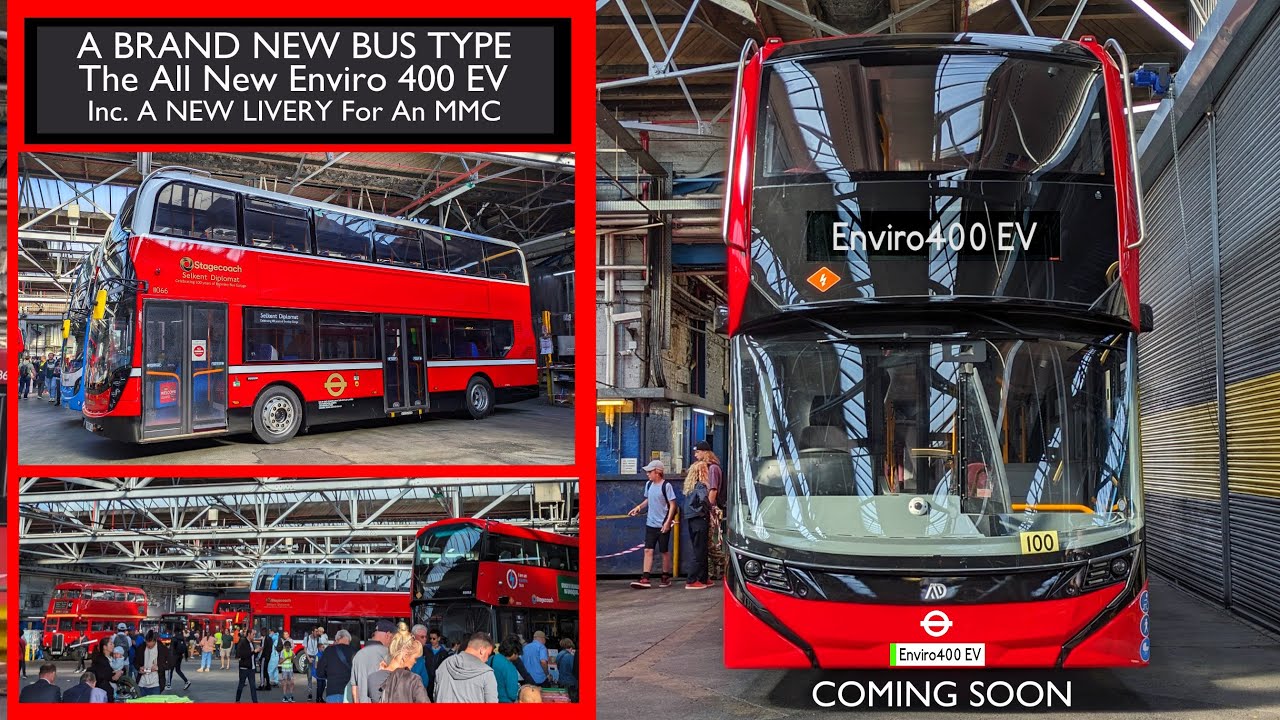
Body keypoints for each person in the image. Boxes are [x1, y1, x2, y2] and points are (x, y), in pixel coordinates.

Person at [628, 459, 678, 588]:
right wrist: (638, 507)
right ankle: (645, 578)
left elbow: (673, 505)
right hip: (650, 523)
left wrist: (667, 523)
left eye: (650, 471)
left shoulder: (666, 486)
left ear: (657, 472)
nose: (647, 474)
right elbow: (648, 500)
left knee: (664, 551)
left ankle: (665, 576)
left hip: (663, 524)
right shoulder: (648, 485)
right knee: (648, 550)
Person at [694, 440, 729, 580]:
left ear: (705, 452)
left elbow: (713, 490)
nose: (695, 455)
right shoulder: (710, 467)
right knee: (710, 542)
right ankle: (714, 571)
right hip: (711, 509)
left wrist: (708, 508)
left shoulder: (713, 468)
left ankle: (726, 564)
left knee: (709, 543)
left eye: (697, 452)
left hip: (712, 510)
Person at [365, 630, 429, 703]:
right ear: (405, 655)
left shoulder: (372, 678)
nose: (415, 662)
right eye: (415, 658)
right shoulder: (413, 680)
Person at [434, 632, 499, 703]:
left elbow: (435, 694)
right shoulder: (487, 674)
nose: (487, 659)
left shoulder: (444, 664)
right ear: (482, 651)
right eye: (488, 654)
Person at [682, 459, 713, 589]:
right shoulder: (701, 486)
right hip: (700, 519)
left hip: (691, 519)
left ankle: (703, 578)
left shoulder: (690, 487)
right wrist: (709, 508)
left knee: (699, 547)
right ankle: (692, 580)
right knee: (699, 549)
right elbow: (704, 500)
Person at [349, 619, 394, 703]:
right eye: (393, 638)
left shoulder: (358, 655)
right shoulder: (389, 655)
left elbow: (354, 689)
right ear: (388, 635)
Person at [315, 628, 355, 703]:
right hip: (351, 693)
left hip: (333, 691)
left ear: (338, 638)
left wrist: (329, 675)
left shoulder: (329, 650)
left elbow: (319, 672)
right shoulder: (354, 651)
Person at [134, 631, 169, 696]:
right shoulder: (141, 648)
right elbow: (135, 662)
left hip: (156, 684)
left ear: (155, 641)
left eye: (151, 646)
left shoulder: (163, 649)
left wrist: (158, 667)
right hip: (142, 683)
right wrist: (139, 668)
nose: (149, 647)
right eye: (147, 645)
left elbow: (170, 664)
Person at [488, 635, 522, 703]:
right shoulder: (510, 667)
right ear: (513, 653)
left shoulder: (491, 659)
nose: (518, 656)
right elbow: (512, 694)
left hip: (491, 699)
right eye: (518, 654)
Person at [422, 630, 452, 701]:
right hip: (426, 679)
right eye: (430, 638)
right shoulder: (425, 649)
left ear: (439, 638)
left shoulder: (444, 653)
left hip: (437, 680)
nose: (432, 640)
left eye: (434, 638)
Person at [235, 629, 260, 703]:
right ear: (249, 634)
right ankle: (237, 700)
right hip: (244, 668)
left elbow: (252, 655)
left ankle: (255, 701)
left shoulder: (251, 643)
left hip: (251, 668)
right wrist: (253, 652)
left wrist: (257, 652)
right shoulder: (242, 642)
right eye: (253, 634)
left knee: (253, 686)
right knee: (241, 685)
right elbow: (241, 654)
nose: (254, 636)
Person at [89, 639, 116, 703]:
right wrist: (114, 675)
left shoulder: (114, 657)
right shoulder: (100, 660)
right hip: (105, 690)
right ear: (104, 647)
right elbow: (104, 674)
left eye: (113, 644)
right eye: (111, 644)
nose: (113, 646)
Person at [303, 625, 326, 699]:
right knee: (309, 676)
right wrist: (308, 658)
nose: (317, 633)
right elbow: (305, 649)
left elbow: (321, 648)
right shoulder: (306, 638)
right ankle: (310, 693)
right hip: (309, 657)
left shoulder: (318, 639)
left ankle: (319, 696)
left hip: (316, 658)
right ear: (312, 632)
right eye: (316, 631)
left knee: (319, 678)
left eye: (317, 631)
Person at [279, 635, 297, 701]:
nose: (287, 649)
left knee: (292, 683)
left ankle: (291, 696)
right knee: (285, 683)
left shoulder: (292, 652)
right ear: (284, 647)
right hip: (284, 669)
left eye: (288, 648)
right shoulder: (282, 652)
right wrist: (286, 658)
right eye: (286, 648)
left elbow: (294, 661)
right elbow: (280, 662)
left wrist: (292, 658)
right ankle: (284, 696)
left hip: (290, 669)